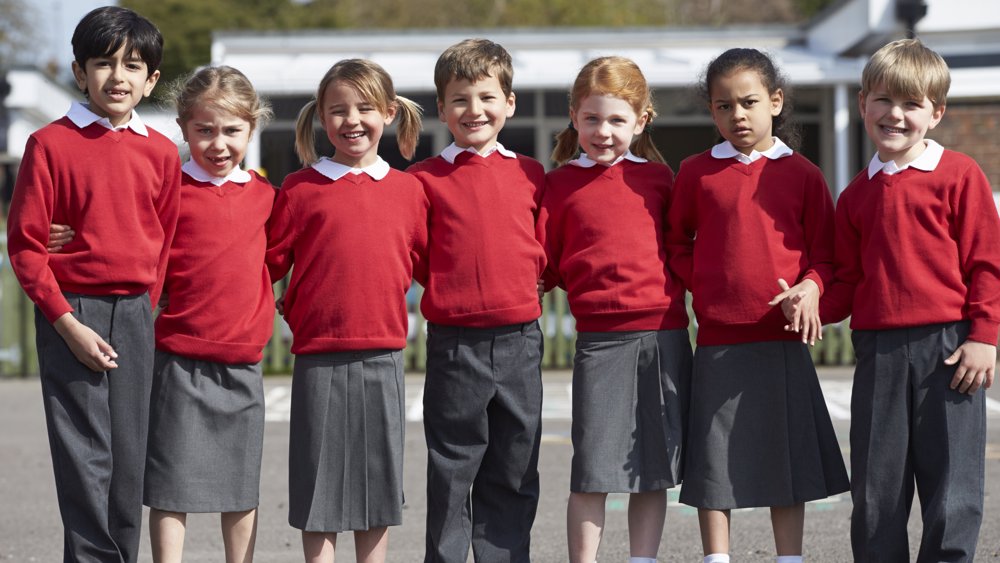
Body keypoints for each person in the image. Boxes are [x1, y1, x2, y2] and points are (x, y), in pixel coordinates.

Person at [5, 6, 180, 562]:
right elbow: (27, 247)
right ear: (80, 72)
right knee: (85, 461)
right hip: (70, 313)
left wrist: (145, 309)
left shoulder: (160, 151)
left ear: (151, 78)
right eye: (103, 64)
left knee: (129, 462)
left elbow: (165, 239)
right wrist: (67, 324)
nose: (118, 77)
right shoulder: (49, 145)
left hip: (134, 313)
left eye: (133, 66)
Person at [814, 38, 1000, 562]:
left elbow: (987, 264)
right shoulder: (853, 196)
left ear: (935, 113)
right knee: (876, 489)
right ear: (862, 105)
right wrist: (809, 305)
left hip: (952, 350)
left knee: (953, 487)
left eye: (911, 104)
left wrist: (984, 337)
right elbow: (847, 283)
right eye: (883, 101)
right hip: (879, 353)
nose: (895, 115)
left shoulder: (960, 175)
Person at [665, 47, 849, 563]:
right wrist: (703, 283)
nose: (737, 115)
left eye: (748, 102)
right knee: (713, 458)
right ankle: (716, 558)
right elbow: (676, 243)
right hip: (720, 341)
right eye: (723, 106)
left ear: (775, 101)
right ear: (711, 111)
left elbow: (827, 255)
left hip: (782, 341)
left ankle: (788, 557)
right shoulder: (696, 172)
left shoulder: (804, 174)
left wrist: (810, 285)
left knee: (783, 456)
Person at [265, 58, 426, 563]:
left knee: (377, 485)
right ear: (320, 118)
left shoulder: (410, 192)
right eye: (338, 110)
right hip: (318, 357)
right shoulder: (298, 189)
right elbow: (265, 263)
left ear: (390, 112)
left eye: (364, 108)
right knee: (319, 486)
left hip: (383, 356)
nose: (351, 120)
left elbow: (435, 264)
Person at [538, 55, 692, 563]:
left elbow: (682, 248)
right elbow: (548, 261)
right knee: (594, 467)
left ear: (642, 120)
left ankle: (641, 559)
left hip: (663, 337)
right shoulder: (557, 186)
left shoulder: (661, 181)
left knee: (652, 466)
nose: (603, 131)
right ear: (573, 116)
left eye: (617, 120)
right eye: (592, 119)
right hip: (600, 343)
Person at [406, 38, 546, 563]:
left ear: (510, 103)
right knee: (451, 467)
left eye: (487, 97)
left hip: (520, 340)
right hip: (455, 344)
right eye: (460, 99)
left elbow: (543, 251)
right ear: (441, 108)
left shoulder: (531, 175)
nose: (474, 110)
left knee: (514, 465)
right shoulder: (422, 180)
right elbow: (417, 252)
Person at [138, 65, 275, 563]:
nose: (219, 144)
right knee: (171, 484)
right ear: (183, 128)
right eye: (205, 130)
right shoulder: (168, 193)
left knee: (240, 488)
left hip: (242, 362)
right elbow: (137, 249)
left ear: (251, 129)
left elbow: (277, 258)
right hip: (178, 360)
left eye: (232, 130)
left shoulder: (266, 198)